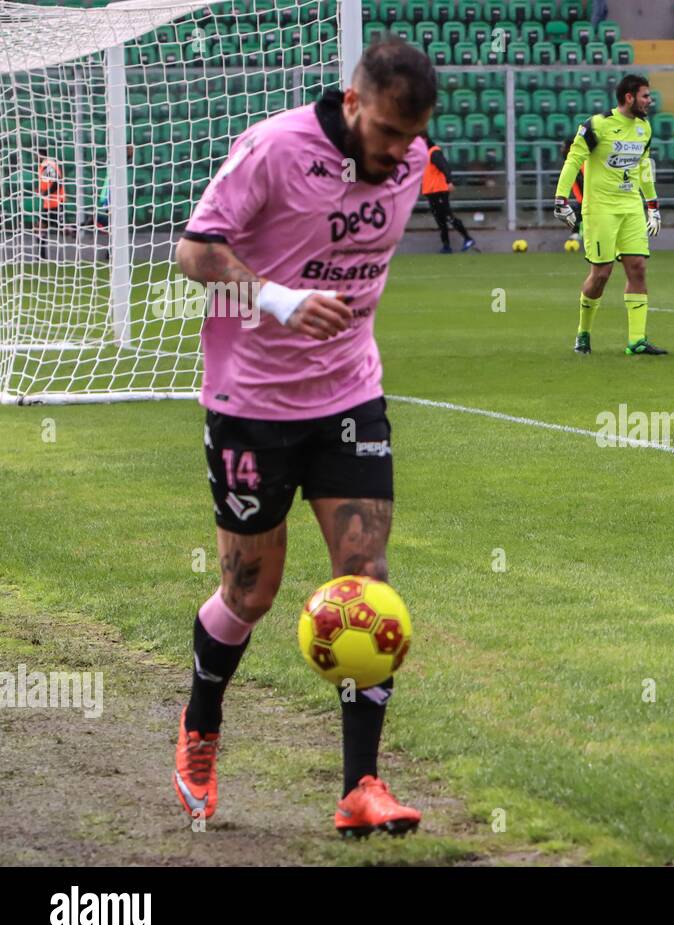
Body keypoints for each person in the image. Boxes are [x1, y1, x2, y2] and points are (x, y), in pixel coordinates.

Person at [172, 38, 435, 837]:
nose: (399, 154)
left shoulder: (413, 156)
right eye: (388, 133)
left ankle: (361, 785)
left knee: (367, 582)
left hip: (348, 395)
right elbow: (193, 250)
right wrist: (280, 300)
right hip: (251, 400)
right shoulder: (276, 147)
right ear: (353, 104)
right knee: (250, 593)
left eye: (411, 135)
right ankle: (199, 733)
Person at [553, 72, 665, 355]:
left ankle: (636, 341)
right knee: (601, 274)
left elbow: (643, 168)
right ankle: (583, 333)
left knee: (638, 268)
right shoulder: (597, 125)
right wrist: (561, 198)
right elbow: (573, 160)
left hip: (630, 208)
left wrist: (652, 205)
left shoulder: (645, 128)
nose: (650, 101)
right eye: (645, 96)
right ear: (629, 97)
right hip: (600, 209)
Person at [420, 136, 474, 253]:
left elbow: (445, 167)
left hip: (438, 190)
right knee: (440, 219)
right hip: (431, 192)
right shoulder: (427, 154)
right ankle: (446, 246)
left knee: (448, 216)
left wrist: (449, 181)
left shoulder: (434, 152)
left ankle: (467, 238)